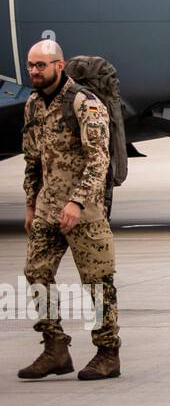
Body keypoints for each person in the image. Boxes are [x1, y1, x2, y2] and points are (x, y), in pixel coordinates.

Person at [18, 40, 121, 381]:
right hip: (48, 210)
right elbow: (32, 161)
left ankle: (107, 353)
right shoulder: (33, 105)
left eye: (41, 65)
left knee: (97, 283)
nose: (34, 71)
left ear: (59, 66)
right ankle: (55, 348)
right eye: (31, 65)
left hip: (85, 211)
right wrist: (32, 204)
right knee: (36, 274)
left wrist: (77, 202)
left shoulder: (84, 103)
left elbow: (99, 159)